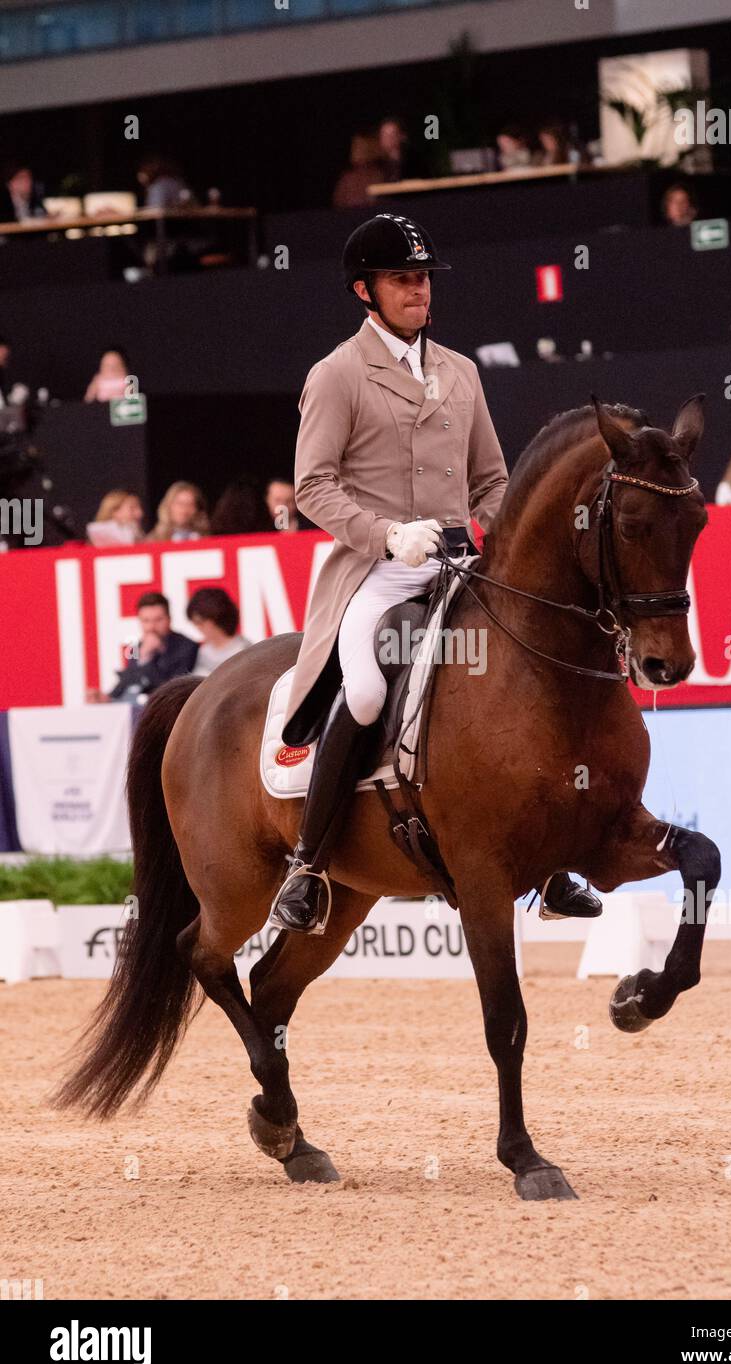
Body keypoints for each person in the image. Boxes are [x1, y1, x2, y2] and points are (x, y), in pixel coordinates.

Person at [267, 211, 602, 933]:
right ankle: (308, 862)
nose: (419, 291)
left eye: (422, 278)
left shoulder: (461, 372)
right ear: (366, 290)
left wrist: (510, 538)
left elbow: (491, 482)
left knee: (529, 672)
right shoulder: (337, 375)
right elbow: (313, 487)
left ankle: (551, 864)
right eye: (402, 279)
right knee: (362, 690)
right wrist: (388, 536)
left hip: (458, 560)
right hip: (378, 571)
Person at [98, 592, 198, 702]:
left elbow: (171, 689)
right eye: (146, 621)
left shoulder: (186, 647)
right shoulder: (136, 647)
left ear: (169, 619)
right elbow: (128, 678)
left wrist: (146, 658)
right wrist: (108, 697)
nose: (151, 627)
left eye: (158, 620)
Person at [187, 587, 252, 675]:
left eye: (200, 623)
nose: (198, 628)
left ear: (216, 619)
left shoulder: (243, 650)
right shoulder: (204, 651)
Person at [332, 134, 385, 209]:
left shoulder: (377, 175)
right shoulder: (347, 177)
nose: (357, 152)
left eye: (361, 148)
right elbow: (338, 202)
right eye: (355, 148)